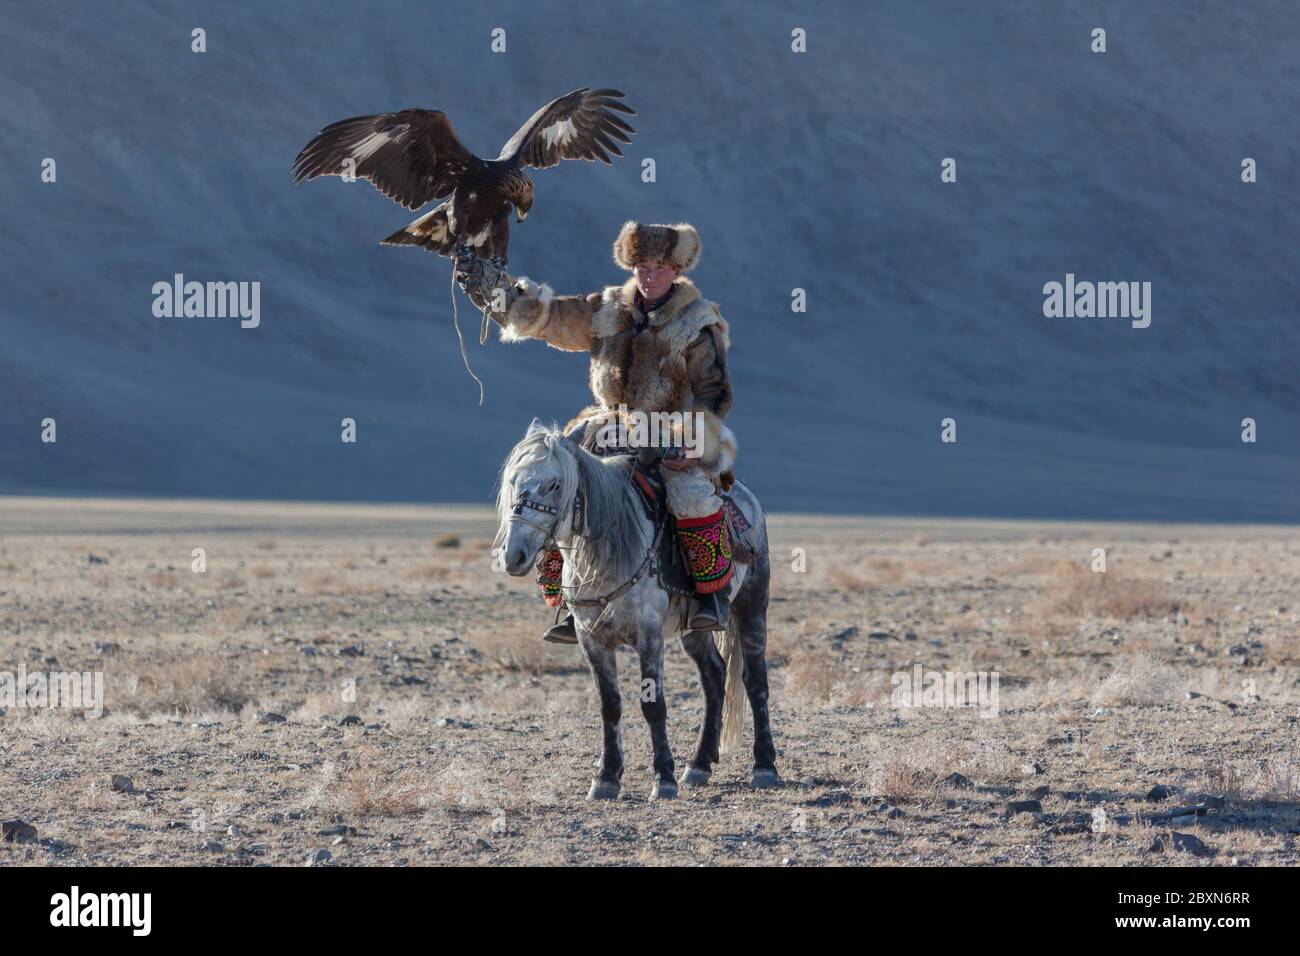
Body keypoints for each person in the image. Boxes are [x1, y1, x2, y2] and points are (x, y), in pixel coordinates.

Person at [457, 221, 736, 641]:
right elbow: (552, 318)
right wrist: (496, 294)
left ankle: (709, 597)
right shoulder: (607, 309)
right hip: (606, 426)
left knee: (691, 497)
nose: (649, 275)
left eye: (659, 267)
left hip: (670, 430)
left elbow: (713, 395)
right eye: (641, 265)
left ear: (677, 270)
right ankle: (571, 602)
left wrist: (695, 445)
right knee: (558, 484)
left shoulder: (698, 324)